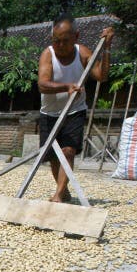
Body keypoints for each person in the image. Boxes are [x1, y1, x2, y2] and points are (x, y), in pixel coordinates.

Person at [38, 14, 113, 203]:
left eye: (65, 41)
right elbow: (43, 84)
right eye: (56, 41)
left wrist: (106, 48)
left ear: (76, 37)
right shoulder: (48, 54)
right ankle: (63, 191)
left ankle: (58, 195)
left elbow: (101, 75)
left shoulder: (83, 53)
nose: (60, 45)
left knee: (68, 151)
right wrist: (67, 87)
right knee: (53, 157)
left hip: (74, 110)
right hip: (49, 112)